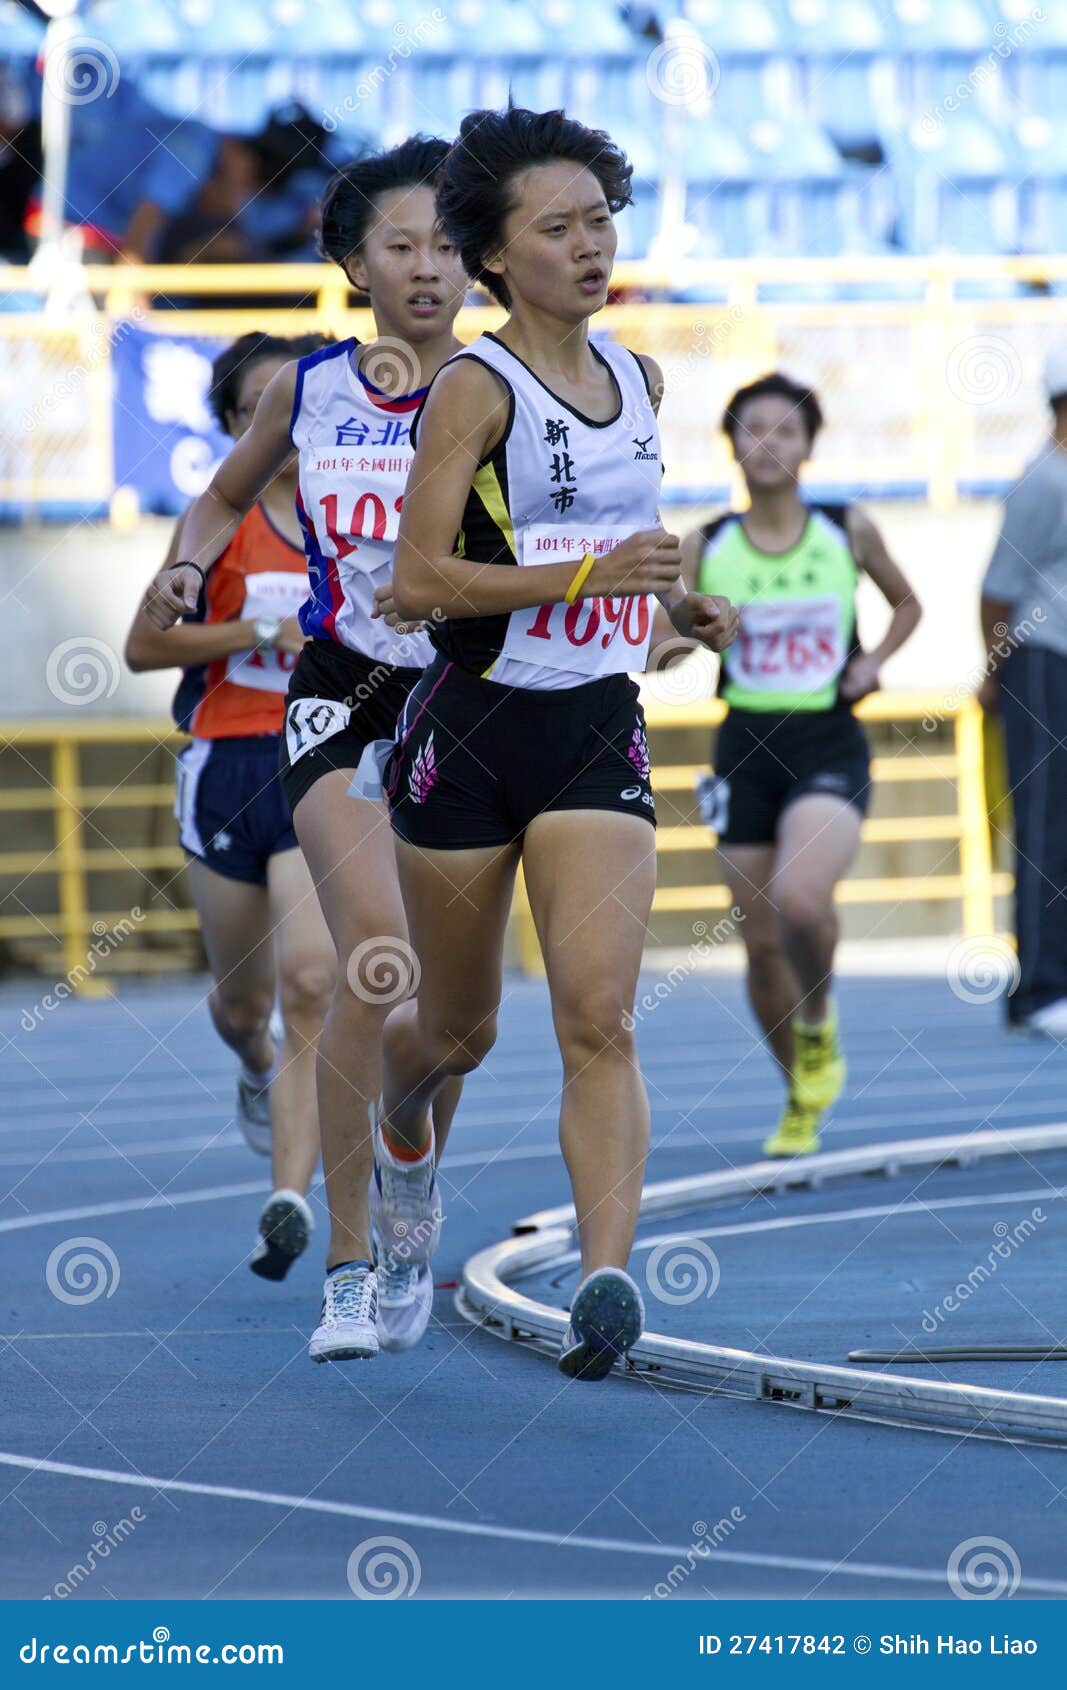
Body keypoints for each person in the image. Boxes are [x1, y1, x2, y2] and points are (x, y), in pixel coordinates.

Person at [375, 107, 738, 1382]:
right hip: (469, 729)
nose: (590, 246)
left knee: (599, 1017)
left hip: (593, 724)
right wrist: (587, 569)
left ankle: (602, 1279)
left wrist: (673, 607)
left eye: (600, 222)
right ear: (491, 254)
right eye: (557, 227)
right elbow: (417, 581)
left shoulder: (640, 381)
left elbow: (629, 563)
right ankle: (403, 1132)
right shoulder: (474, 389)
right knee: (457, 1029)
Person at [140, 137, 469, 1363]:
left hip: (468, 693)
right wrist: (185, 564)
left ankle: (412, 1160)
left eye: (446, 245)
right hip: (339, 693)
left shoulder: (497, 390)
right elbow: (223, 497)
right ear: (351, 262)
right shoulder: (313, 389)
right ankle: (346, 1263)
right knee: (349, 978)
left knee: (442, 1020)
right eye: (400, 246)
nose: (425, 269)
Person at [126, 331, 335, 1279]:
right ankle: (253, 1068)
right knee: (244, 1003)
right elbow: (142, 649)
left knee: (308, 987)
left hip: (315, 762)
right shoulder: (213, 527)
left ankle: (289, 1199)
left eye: (290, 409)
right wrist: (259, 626)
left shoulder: (351, 515)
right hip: (224, 766)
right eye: (258, 411)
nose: (279, 429)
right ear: (229, 425)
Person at [683, 372, 921, 1157]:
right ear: (732, 445)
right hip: (741, 747)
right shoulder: (707, 544)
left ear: (808, 446)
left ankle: (816, 1025)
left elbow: (907, 603)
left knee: (800, 901)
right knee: (755, 944)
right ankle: (797, 1091)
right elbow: (661, 635)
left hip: (824, 738)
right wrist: (689, 636)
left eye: (785, 430)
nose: (769, 444)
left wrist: (875, 659)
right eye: (753, 429)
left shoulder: (844, 528)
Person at [979, 344, 1067, 1035]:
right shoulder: (1041, 481)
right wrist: (994, 670)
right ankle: (1037, 989)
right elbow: (997, 592)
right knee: (1042, 822)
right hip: (1042, 661)